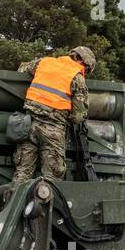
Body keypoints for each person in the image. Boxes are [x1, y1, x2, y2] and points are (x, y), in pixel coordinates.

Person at [12, 46, 95, 184]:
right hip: (53, 131)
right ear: (83, 63)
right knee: (52, 180)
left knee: (21, 174)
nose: (85, 72)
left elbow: (22, 69)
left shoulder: (45, 62)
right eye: (87, 69)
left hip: (28, 125)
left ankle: (12, 203)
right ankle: (45, 205)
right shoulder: (77, 78)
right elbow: (78, 115)